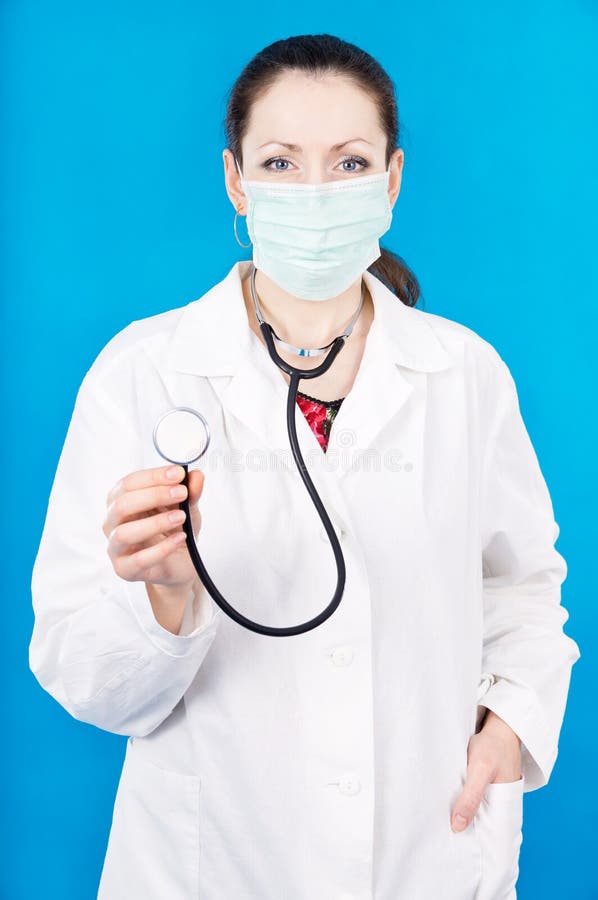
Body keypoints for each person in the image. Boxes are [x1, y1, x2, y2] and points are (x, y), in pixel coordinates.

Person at [29, 32, 581, 900]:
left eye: (350, 162)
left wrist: (508, 724)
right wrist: (167, 597)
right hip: (212, 865)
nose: (316, 194)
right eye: (281, 164)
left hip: (424, 852)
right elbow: (88, 685)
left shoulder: (464, 372)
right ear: (235, 182)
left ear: (392, 182)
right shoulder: (144, 371)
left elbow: (521, 589)